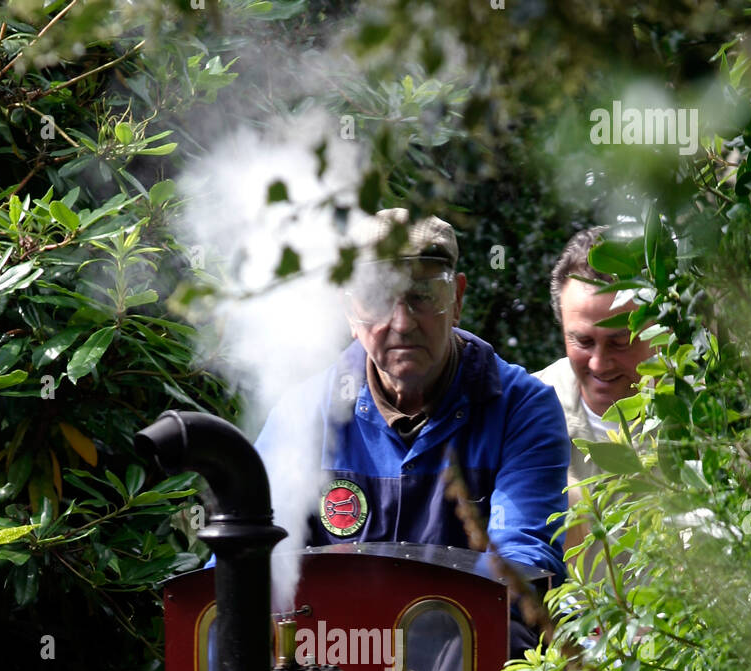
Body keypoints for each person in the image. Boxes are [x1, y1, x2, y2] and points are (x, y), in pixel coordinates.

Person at [254, 208, 570, 590]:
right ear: (351, 313)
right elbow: (248, 555)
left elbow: (522, 567)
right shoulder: (302, 416)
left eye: (423, 296)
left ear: (456, 299)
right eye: (377, 299)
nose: (402, 323)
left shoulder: (521, 410)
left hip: (471, 643)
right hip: (330, 645)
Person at [534, 226, 654, 554]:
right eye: (583, 342)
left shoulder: (704, 414)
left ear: (660, 329)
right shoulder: (523, 415)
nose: (600, 365)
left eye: (620, 342)